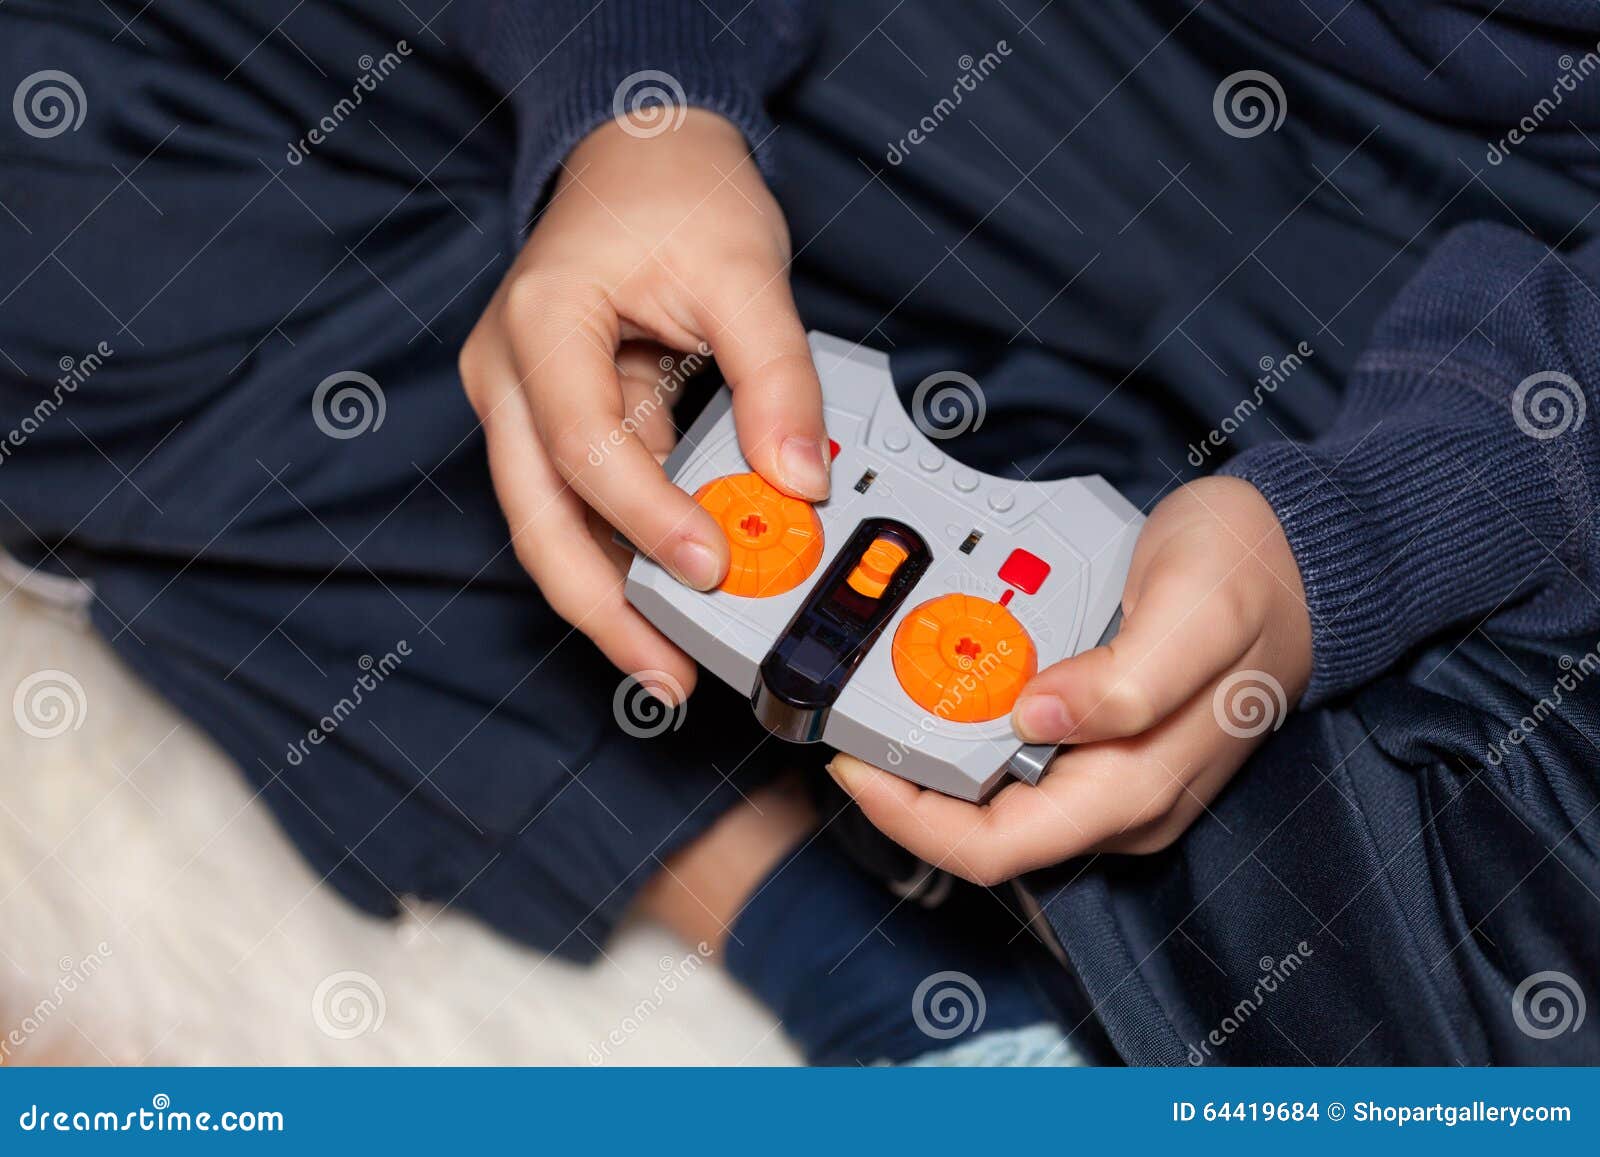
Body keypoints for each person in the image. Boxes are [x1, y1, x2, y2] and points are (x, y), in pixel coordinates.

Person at [2, 0, 1596, 1065]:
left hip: (1522, 320)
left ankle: (974, 973)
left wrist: (1366, 542)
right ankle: (829, 928)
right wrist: (635, 101)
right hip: (965, 64)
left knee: (1457, 954)